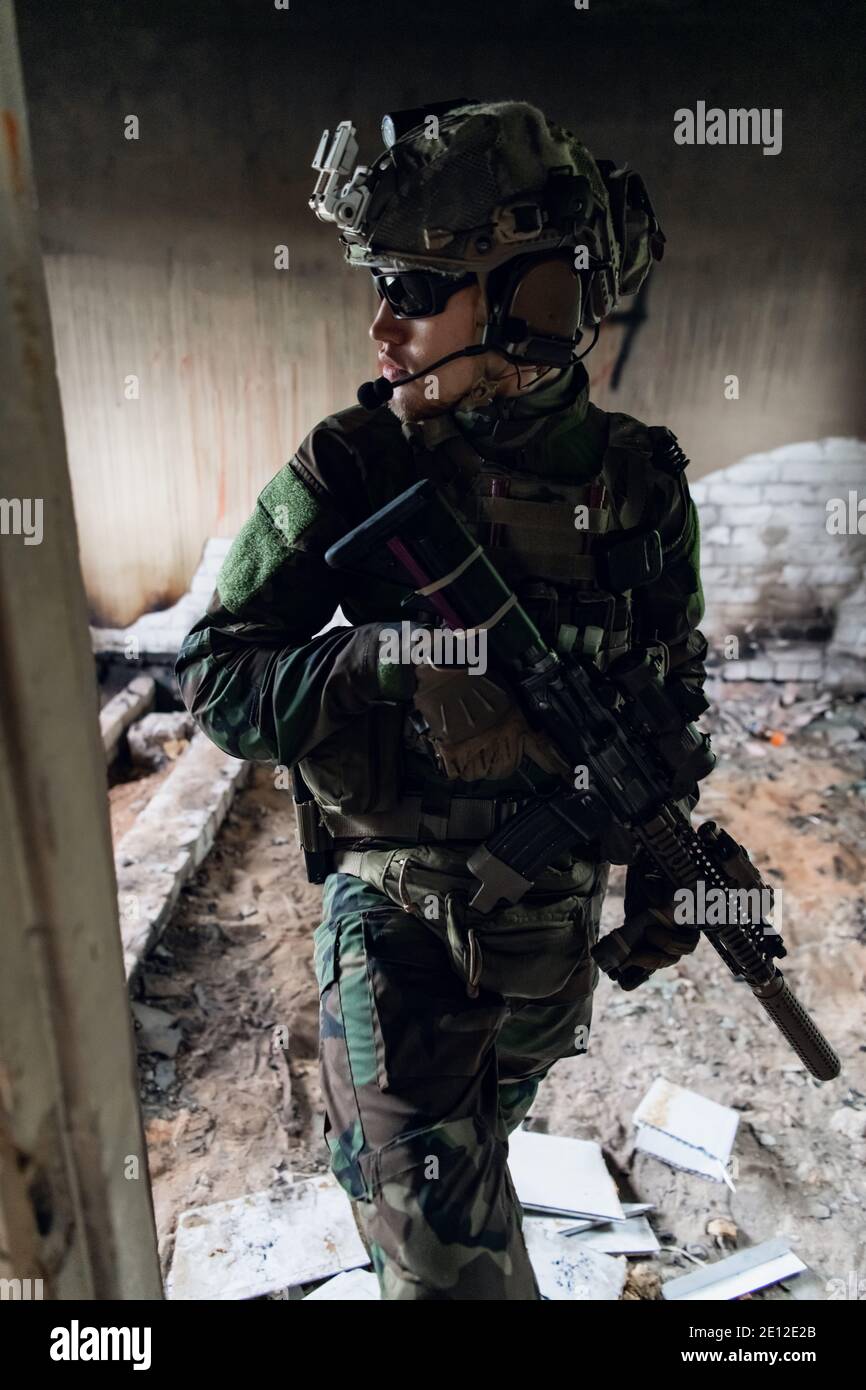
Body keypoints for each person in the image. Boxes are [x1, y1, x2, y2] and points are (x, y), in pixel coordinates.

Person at [176, 99, 708, 1300]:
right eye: (383, 284)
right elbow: (214, 681)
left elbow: (669, 697)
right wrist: (380, 659)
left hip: (540, 947)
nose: (379, 323)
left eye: (414, 287)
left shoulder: (637, 486)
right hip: (397, 942)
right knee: (449, 1272)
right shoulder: (353, 465)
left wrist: (675, 854)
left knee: (480, 1175)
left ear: (534, 300)